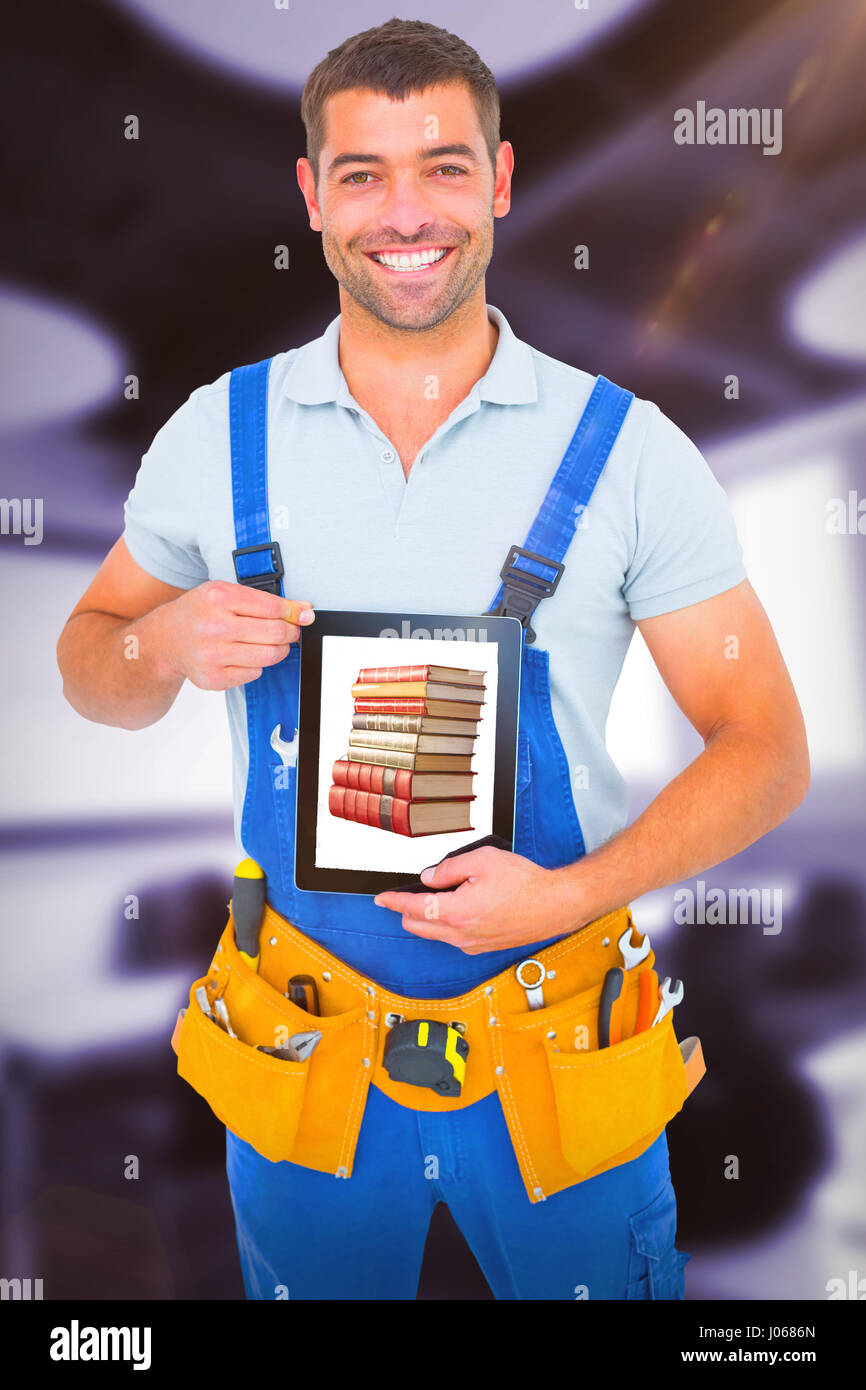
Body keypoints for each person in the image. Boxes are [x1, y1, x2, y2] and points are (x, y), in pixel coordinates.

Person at [56, 18, 809, 1300]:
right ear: (311, 195)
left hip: (560, 1048)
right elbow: (90, 666)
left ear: (502, 181)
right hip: (304, 1054)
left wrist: (571, 894)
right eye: (362, 173)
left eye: (443, 166)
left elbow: (765, 747)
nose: (406, 213)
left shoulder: (626, 453)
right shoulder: (215, 435)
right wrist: (164, 639)